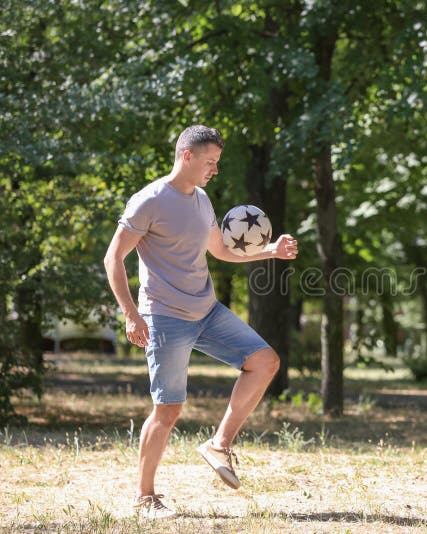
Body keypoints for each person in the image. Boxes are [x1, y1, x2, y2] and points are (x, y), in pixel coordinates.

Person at [103, 125, 298, 520]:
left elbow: (222, 250)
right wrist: (130, 313)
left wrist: (270, 251)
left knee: (265, 361)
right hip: (165, 317)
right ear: (186, 156)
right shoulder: (149, 201)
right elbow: (113, 258)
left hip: (206, 311)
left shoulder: (202, 200)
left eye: (218, 163)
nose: (214, 169)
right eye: (210, 161)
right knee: (168, 410)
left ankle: (219, 444)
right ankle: (145, 498)